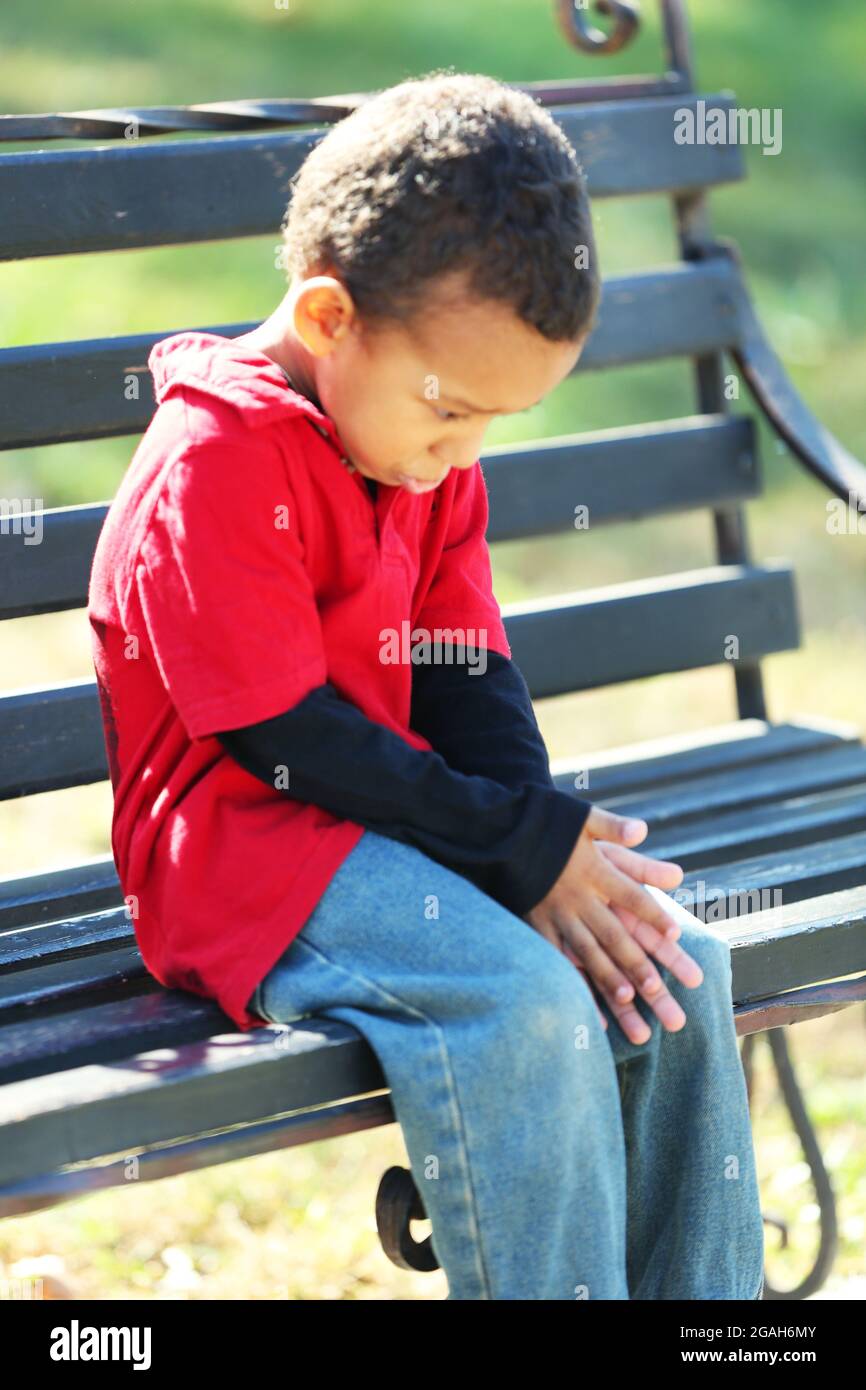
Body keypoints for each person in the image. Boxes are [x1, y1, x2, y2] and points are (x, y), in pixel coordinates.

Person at [87, 69, 765, 1300]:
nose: (460, 454)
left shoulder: (420, 458)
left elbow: (466, 678)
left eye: (488, 426)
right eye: (449, 410)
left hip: (398, 830)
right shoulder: (218, 457)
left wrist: (540, 850)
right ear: (329, 314)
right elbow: (282, 737)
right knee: (520, 1002)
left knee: (669, 969)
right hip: (247, 856)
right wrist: (512, 847)